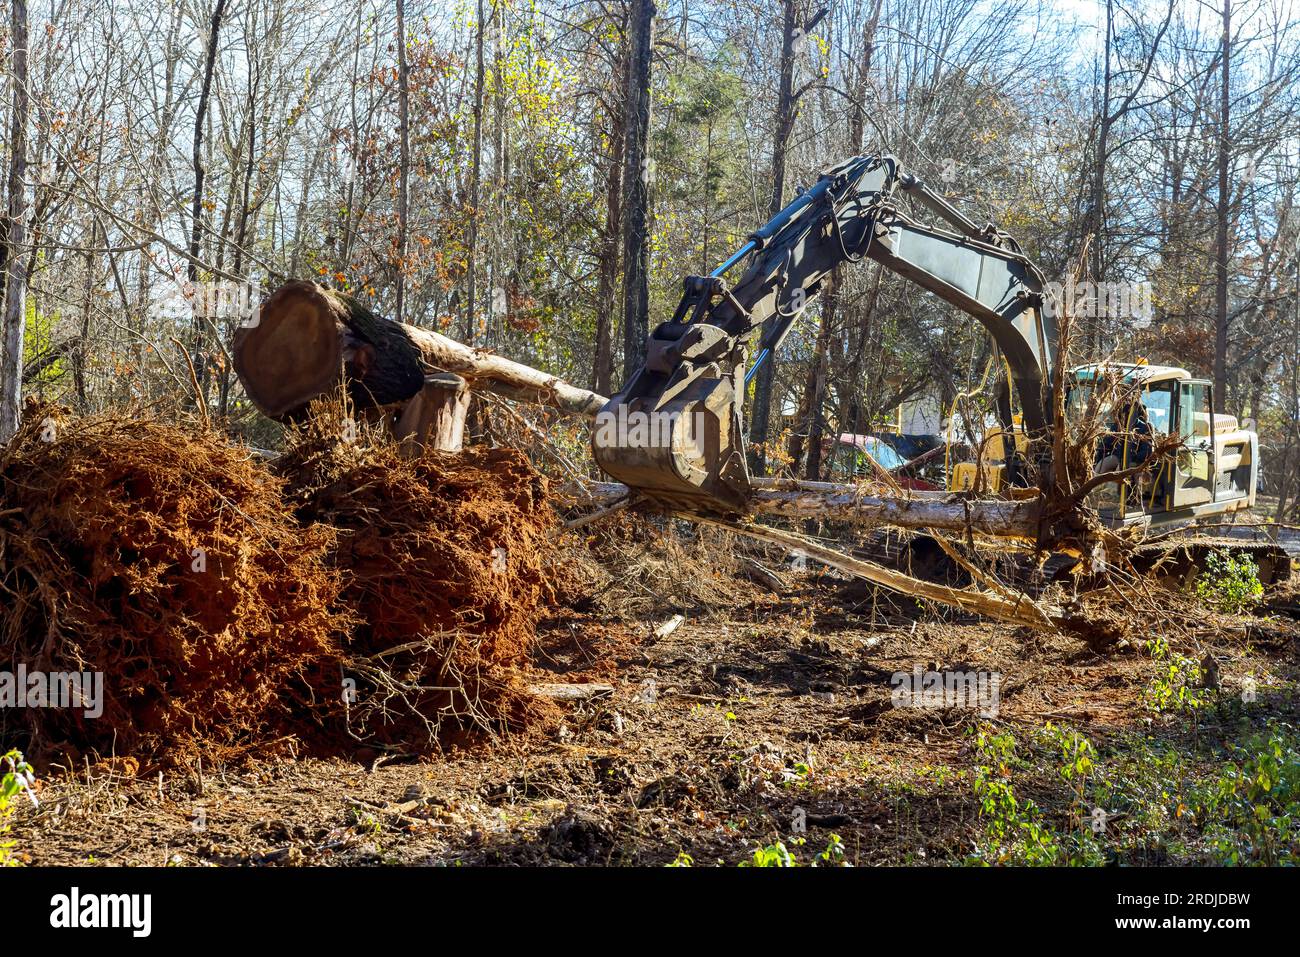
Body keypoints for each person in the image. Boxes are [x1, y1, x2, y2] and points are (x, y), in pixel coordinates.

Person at [1095, 400, 1152, 474]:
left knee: (1119, 472)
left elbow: (1146, 451)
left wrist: (1132, 458)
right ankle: (1095, 484)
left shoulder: (1144, 428)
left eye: (1129, 414)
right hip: (1117, 457)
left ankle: (1117, 484)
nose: (1126, 416)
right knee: (1100, 467)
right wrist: (1101, 451)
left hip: (1134, 461)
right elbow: (1107, 442)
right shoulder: (1118, 426)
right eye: (1125, 414)